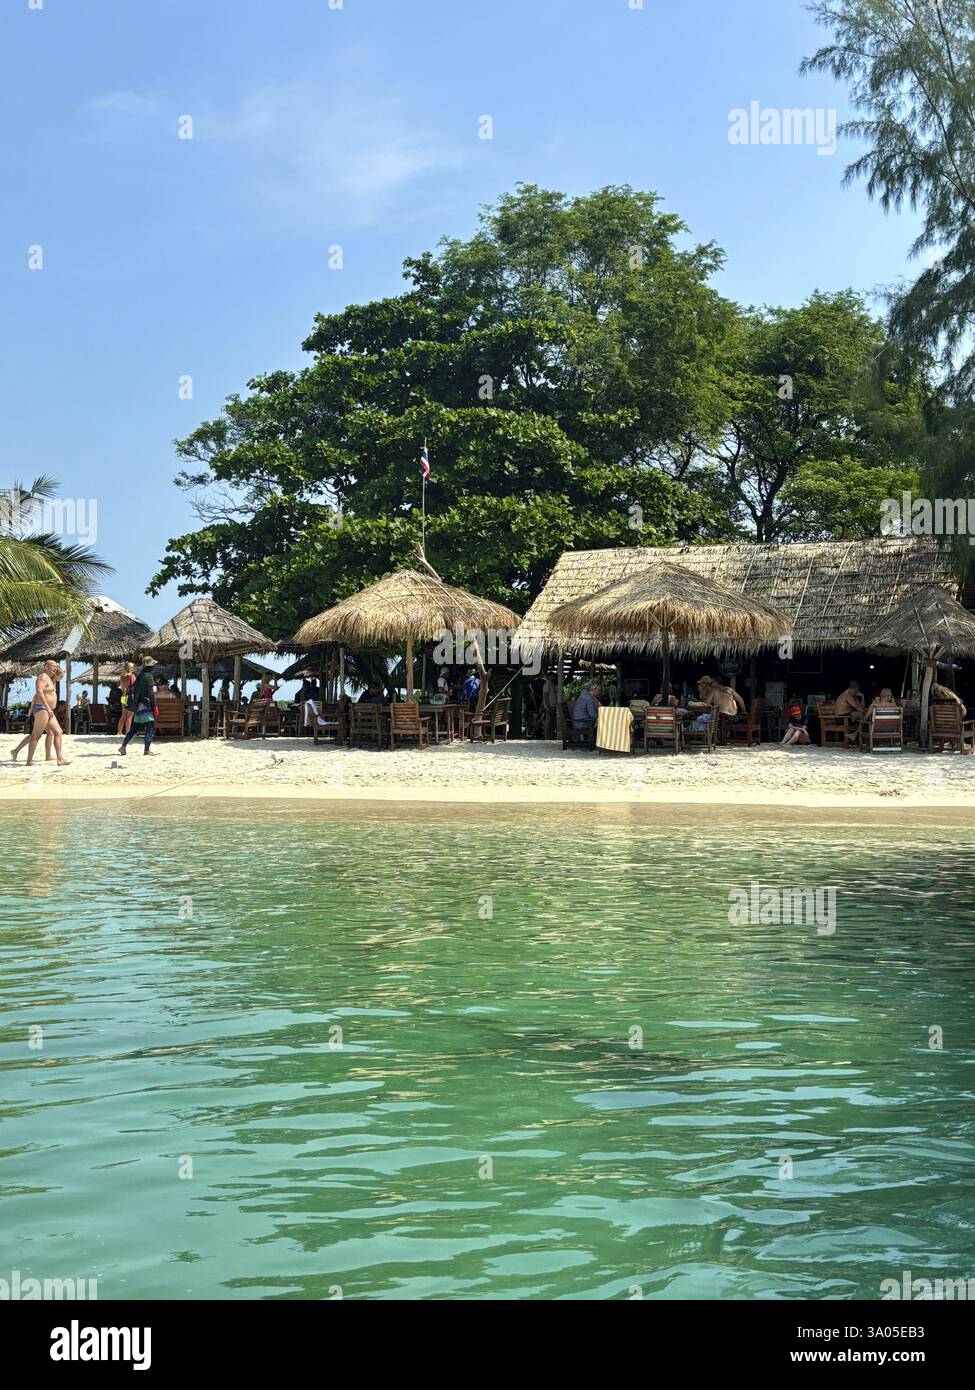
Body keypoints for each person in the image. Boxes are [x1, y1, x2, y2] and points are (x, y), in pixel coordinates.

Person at [11, 661, 70, 766]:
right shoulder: (42, 677)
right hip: (42, 709)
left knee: (58, 732)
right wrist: (46, 707)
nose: (56, 669)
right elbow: (39, 692)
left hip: (47, 710)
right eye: (54, 667)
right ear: (46, 666)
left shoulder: (50, 679)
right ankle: (29, 761)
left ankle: (60, 759)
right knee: (36, 735)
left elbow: (43, 692)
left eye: (57, 667)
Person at [119, 659, 157, 756]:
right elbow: (151, 693)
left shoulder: (140, 675)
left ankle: (123, 746)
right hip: (145, 705)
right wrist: (155, 705)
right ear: (150, 666)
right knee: (149, 727)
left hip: (138, 705)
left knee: (134, 728)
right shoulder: (148, 676)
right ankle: (147, 750)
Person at [117, 661, 137, 743]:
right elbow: (134, 686)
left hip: (123, 696)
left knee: (123, 715)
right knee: (129, 716)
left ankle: (119, 732)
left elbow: (122, 687)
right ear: (131, 668)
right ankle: (128, 732)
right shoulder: (132, 676)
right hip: (129, 696)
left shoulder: (122, 676)